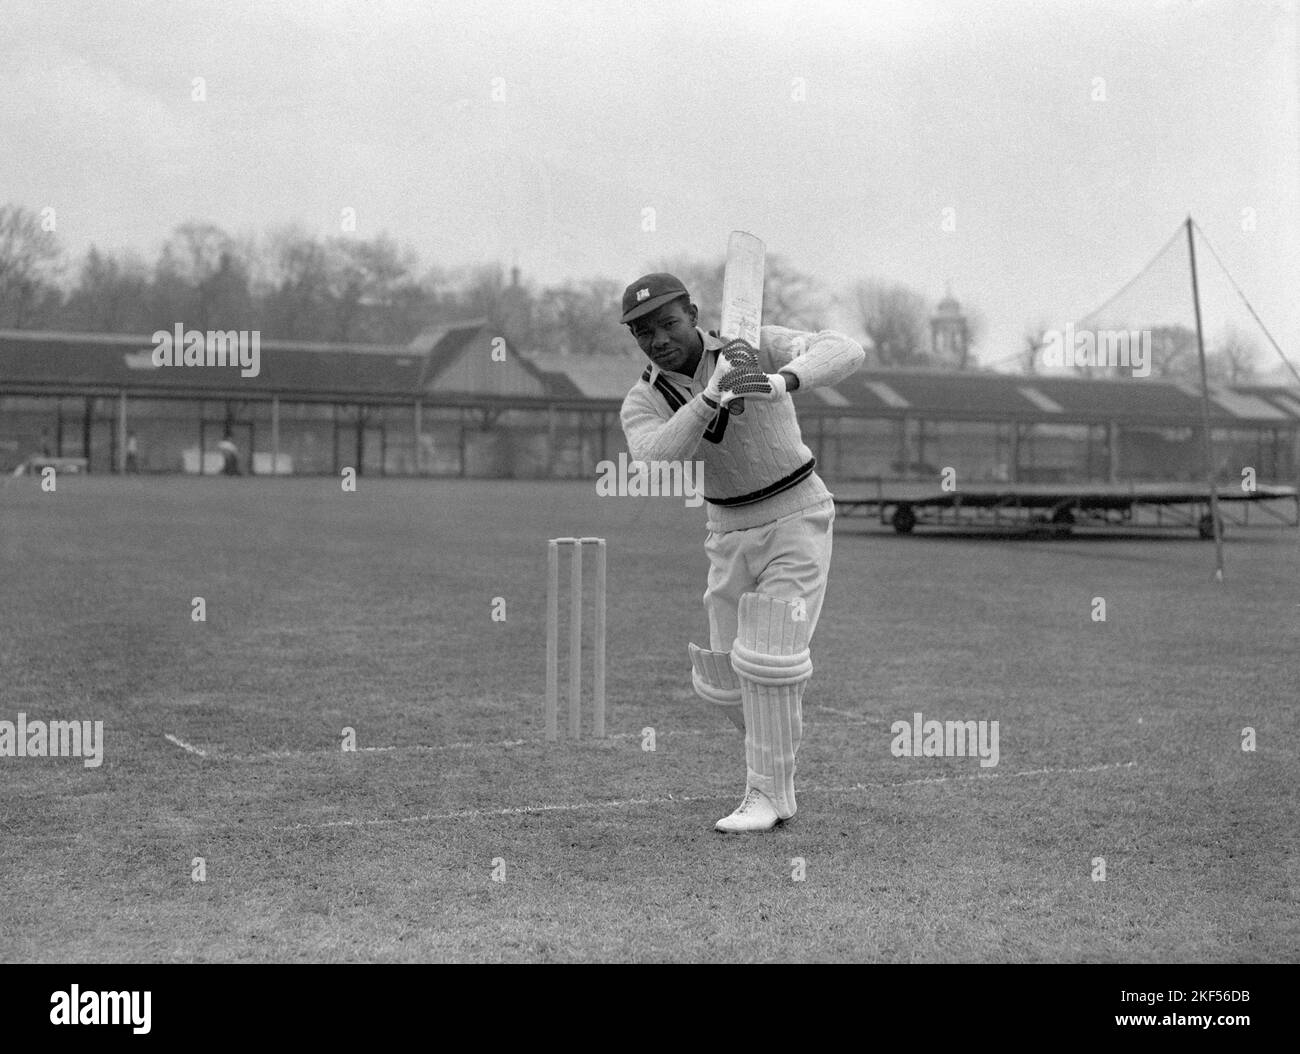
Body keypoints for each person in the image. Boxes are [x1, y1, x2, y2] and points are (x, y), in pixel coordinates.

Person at [618, 273, 864, 833]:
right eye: (643, 332)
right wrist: (711, 397)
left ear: (694, 314)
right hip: (727, 532)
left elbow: (846, 350)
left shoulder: (751, 344)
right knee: (725, 679)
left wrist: (779, 382)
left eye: (668, 323)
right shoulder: (642, 399)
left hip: (797, 516)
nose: (657, 339)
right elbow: (655, 460)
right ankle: (776, 763)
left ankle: (766, 794)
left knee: (768, 659)